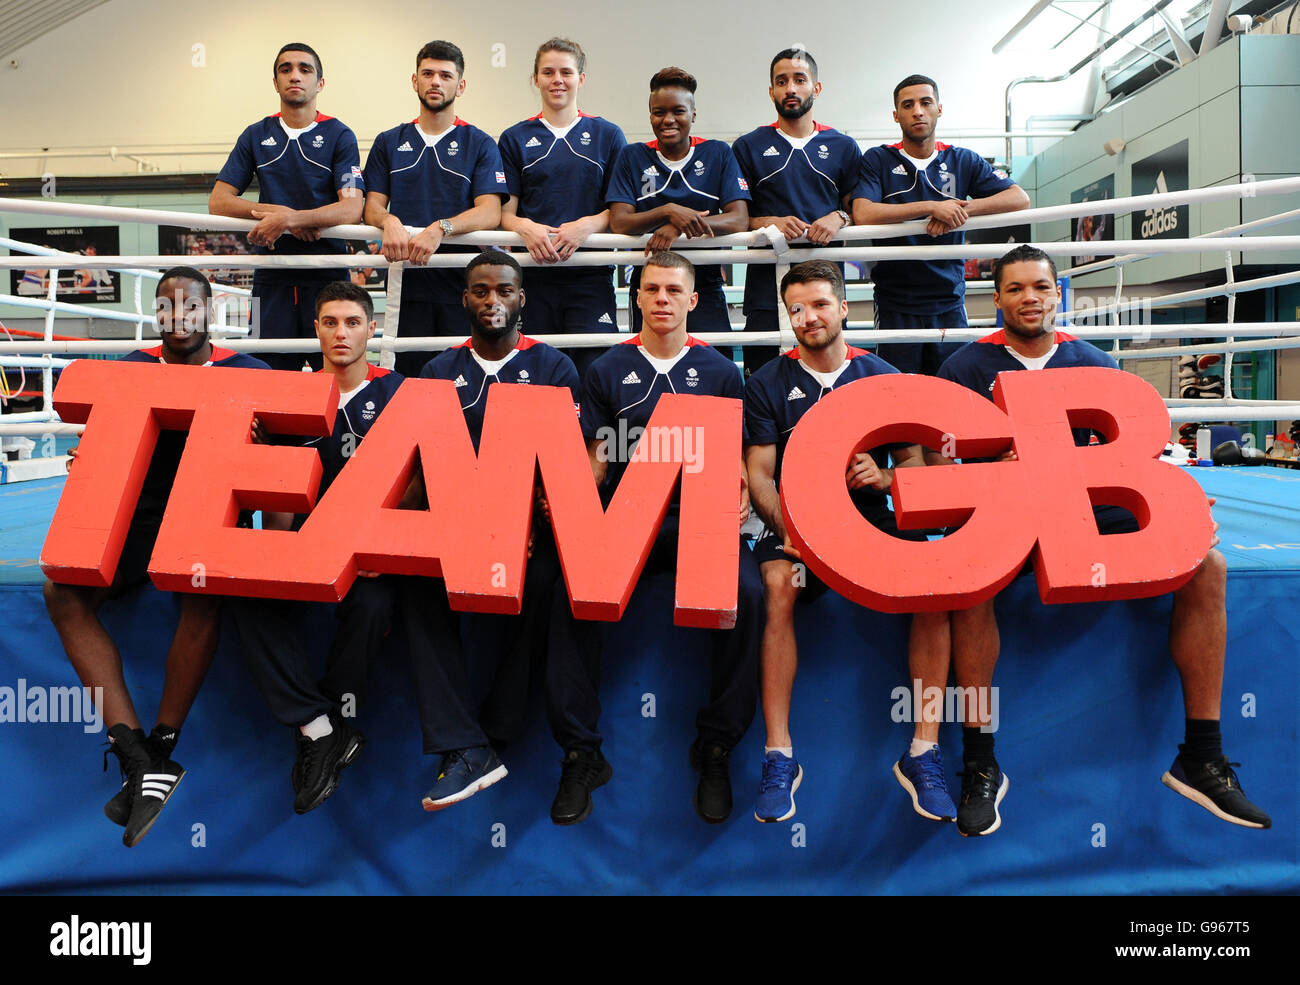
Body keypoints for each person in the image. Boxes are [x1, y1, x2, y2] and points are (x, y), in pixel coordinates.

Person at [936, 244, 1271, 836]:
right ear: (997, 300)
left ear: (1057, 294)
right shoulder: (964, 369)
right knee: (966, 577)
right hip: (1006, 513)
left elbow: (1136, 460)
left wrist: (1176, 505)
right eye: (1015, 289)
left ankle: (1201, 753)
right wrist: (994, 463)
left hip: (1086, 511)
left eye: (1040, 286)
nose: (1029, 298)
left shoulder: (1092, 362)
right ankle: (979, 759)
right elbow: (935, 470)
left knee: (1205, 563)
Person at [231, 280, 507, 814]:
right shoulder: (297, 396)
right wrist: (280, 554)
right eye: (330, 322)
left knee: (376, 604)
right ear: (315, 330)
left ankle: (330, 720)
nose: (341, 333)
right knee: (245, 593)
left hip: (373, 555)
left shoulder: (403, 391)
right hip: (315, 547)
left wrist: (377, 540)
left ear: (372, 330)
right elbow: (285, 495)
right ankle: (321, 726)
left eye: (353, 322)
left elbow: (422, 480)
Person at [43, 267, 270, 847]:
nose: (179, 315)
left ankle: (161, 749)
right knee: (60, 591)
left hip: (210, 515)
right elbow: (97, 451)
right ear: (156, 314)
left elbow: (280, 468)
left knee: (203, 589)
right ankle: (136, 757)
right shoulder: (131, 371)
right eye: (167, 305)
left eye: (190, 304)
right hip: (137, 518)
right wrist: (87, 456)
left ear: (210, 311)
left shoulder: (250, 373)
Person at [545, 251, 762, 826]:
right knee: (569, 592)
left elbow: (736, 459)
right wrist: (565, 497)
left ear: (694, 300)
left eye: (673, 290)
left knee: (750, 594)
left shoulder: (720, 371)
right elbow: (595, 460)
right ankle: (580, 752)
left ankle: (716, 745)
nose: (662, 299)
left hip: (697, 519)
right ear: (635, 298)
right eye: (651, 289)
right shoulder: (605, 369)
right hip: (626, 520)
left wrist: (739, 483)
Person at [744, 260, 953, 823]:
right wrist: (792, 530)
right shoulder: (766, 382)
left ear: (843, 307)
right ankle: (779, 755)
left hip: (867, 519)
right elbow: (759, 475)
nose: (807, 318)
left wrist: (883, 478)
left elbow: (914, 464)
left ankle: (923, 750)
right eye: (796, 310)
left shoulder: (882, 375)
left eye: (818, 305)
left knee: (933, 586)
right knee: (778, 586)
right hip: (793, 524)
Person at [419, 249, 578, 751]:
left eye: (504, 290)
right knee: (415, 590)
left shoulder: (553, 366)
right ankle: (457, 740)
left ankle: (498, 736)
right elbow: (426, 465)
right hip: (457, 522)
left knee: (548, 586)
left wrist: (521, 521)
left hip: (529, 526)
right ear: (464, 299)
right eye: (482, 290)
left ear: (522, 298)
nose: (493, 300)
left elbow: (564, 466)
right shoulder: (437, 370)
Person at [851, 74, 1030, 376]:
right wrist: (932, 206)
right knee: (898, 394)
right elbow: (863, 213)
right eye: (908, 105)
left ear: (939, 109)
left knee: (952, 389)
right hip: (896, 302)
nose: (917, 111)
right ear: (896, 115)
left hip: (947, 299)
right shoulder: (878, 159)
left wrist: (959, 210)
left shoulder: (962, 159)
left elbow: (1019, 198)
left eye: (925, 102)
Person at [210, 43, 365, 372]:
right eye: (286, 69)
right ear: (275, 81)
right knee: (269, 377)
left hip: (328, 274)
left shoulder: (340, 135)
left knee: (334, 375)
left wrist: (290, 218)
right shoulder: (255, 135)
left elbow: (352, 208)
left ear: (320, 83)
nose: (295, 76)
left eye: (305, 69)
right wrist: (279, 215)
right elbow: (219, 201)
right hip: (272, 274)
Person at [363, 40, 509, 377]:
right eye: (427, 73)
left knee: (462, 377)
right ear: (414, 81)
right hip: (406, 282)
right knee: (409, 379)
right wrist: (390, 221)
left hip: (461, 282)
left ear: (460, 85)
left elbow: (490, 211)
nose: (435, 82)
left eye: (445, 75)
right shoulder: (389, 141)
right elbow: (372, 207)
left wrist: (440, 227)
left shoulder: (480, 143)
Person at [498, 38, 627, 379]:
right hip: (534, 276)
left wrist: (586, 225)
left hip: (591, 276)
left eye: (566, 72)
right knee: (538, 376)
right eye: (548, 72)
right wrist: (525, 227)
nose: (557, 79)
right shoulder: (514, 138)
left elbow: (621, 210)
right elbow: (505, 213)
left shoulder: (609, 135)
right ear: (535, 79)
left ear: (581, 79)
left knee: (593, 372)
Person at [732, 48, 859, 375]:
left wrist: (839, 216)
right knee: (764, 382)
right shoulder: (748, 146)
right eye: (782, 81)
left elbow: (861, 209)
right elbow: (736, 216)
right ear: (771, 90)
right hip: (765, 289)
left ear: (815, 88)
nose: (790, 88)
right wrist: (768, 222)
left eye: (799, 80)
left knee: (827, 378)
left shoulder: (843, 146)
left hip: (826, 288)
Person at [606, 68, 750, 336]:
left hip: (704, 280)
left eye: (678, 111)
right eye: (659, 112)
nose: (668, 119)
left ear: (693, 114)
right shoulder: (632, 156)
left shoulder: (717, 152)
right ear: (650, 115)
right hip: (650, 279)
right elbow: (620, 222)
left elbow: (739, 219)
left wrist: (679, 227)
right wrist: (668, 212)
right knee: (651, 359)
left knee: (715, 361)